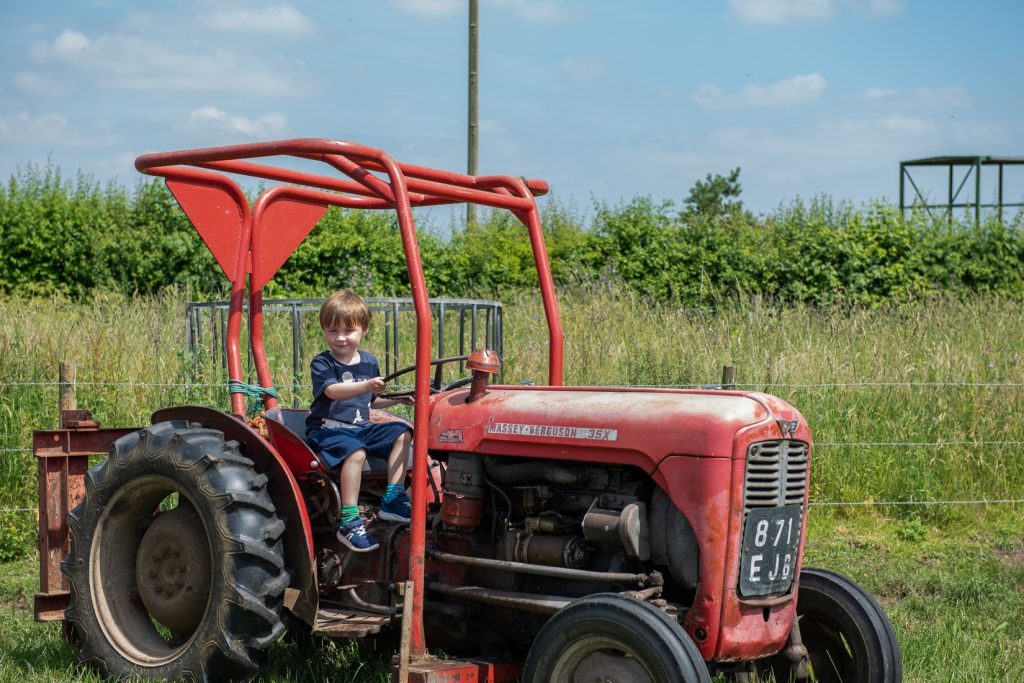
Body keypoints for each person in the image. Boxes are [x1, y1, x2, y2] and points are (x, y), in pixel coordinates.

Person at [305, 289, 413, 552]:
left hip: (361, 428)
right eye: (333, 330)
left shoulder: (369, 361)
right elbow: (332, 391)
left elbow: (370, 402)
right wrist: (366, 385)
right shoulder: (322, 363)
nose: (340, 337)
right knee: (356, 452)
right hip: (328, 431)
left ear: (364, 330)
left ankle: (393, 498)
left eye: (348, 330)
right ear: (324, 330)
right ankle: (350, 521)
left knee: (402, 432)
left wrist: (397, 400)